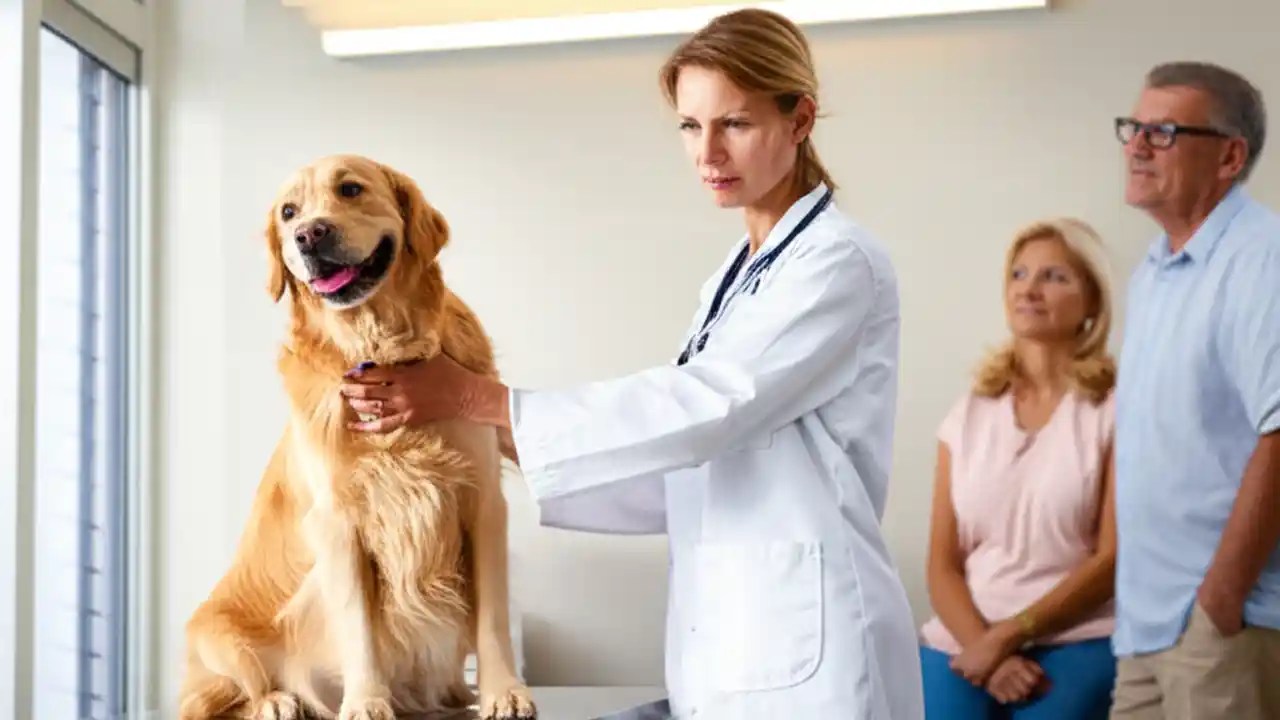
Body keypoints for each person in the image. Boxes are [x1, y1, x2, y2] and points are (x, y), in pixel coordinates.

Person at [337, 8, 924, 719]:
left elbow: (709, 407)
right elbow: (682, 477)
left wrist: (475, 400)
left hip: (816, 656)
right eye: (689, 125)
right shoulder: (732, 281)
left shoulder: (837, 263)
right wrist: (475, 429)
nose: (707, 152)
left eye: (734, 124)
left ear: (799, 120)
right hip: (734, 644)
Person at [1109, 61, 1280, 720]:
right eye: (1134, 128)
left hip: (1221, 626)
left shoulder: (1262, 257)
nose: (1137, 145)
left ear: (1230, 156)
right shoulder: (1155, 270)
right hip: (1146, 625)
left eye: (1165, 131)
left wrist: (1222, 596)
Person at [918, 218, 1120, 719]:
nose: (1029, 288)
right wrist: (984, 647)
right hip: (964, 636)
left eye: (1054, 277)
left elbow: (1114, 559)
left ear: (1092, 303)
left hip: (1077, 636)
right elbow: (942, 564)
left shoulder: (1118, 410)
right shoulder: (967, 414)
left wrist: (1011, 634)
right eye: (1020, 274)